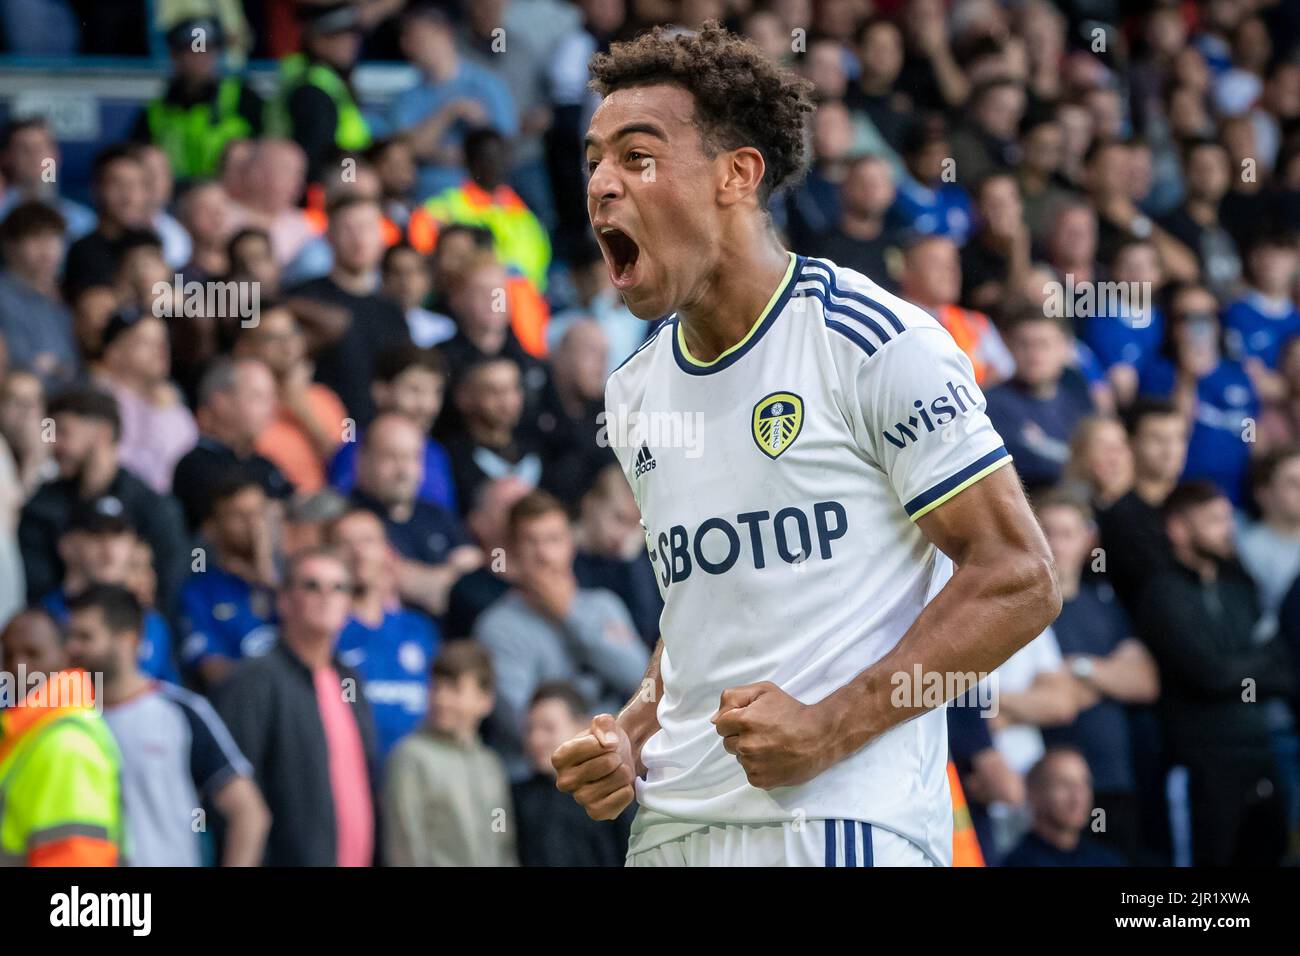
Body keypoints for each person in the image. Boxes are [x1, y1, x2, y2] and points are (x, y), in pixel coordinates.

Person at [553, 23, 1059, 867]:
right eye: (593, 161)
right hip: (670, 833)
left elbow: (1019, 577)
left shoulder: (869, 340)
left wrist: (833, 725)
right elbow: (699, 612)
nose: (602, 184)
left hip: (840, 826)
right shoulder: (634, 390)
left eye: (636, 158)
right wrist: (634, 729)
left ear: (737, 175)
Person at [1138, 481, 1292, 866]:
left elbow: (1284, 666)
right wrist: (1251, 666)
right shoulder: (1162, 593)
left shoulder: (1240, 585)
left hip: (1260, 751)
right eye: (1212, 520)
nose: (1226, 529)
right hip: (1202, 763)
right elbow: (1208, 675)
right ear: (1178, 529)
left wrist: (1236, 669)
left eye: (1226, 519)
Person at [64, 584, 270, 867]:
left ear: (127, 640)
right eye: (70, 636)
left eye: (85, 637)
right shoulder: (64, 720)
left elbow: (248, 811)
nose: (71, 648)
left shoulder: (179, 711)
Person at [216, 547, 380, 866]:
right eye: (311, 586)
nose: (326, 596)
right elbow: (235, 795)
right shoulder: (254, 679)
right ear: (284, 601)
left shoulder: (349, 679)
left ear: (348, 604)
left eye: (338, 588)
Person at [476, 490, 648, 779]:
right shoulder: (497, 626)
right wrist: (609, 735)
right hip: (537, 780)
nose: (543, 554)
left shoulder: (603, 605)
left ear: (570, 544)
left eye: (553, 540)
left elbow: (642, 681)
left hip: (613, 768)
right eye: (531, 542)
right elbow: (521, 724)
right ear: (512, 552)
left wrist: (571, 615)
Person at [1035, 489, 1159, 862]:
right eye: (1047, 531)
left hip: (1111, 779)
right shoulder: (1020, 609)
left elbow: (1145, 681)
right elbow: (1048, 697)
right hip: (1044, 786)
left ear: (1089, 541)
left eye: (1068, 533)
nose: (1056, 543)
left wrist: (1078, 669)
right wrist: (1106, 678)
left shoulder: (1104, 603)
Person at [19, 388, 188, 617]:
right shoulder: (41, 506)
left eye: (64, 432)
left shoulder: (153, 506)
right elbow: (35, 591)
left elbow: (173, 586)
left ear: (103, 433)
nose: (54, 444)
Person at [0, 611, 124, 866]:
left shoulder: (67, 745)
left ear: (65, 656)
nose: (17, 667)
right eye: (8, 655)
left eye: (32, 653)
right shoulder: (28, 735)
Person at [382, 640, 518, 866]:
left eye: (455, 689)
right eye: (436, 687)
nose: (441, 700)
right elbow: (404, 846)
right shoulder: (411, 756)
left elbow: (503, 844)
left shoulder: (490, 763)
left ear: (485, 700)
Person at [287, 194, 413, 427]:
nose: (358, 239)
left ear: (381, 236)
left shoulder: (392, 312)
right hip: (318, 430)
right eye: (348, 229)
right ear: (328, 236)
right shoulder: (302, 298)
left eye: (367, 228)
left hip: (378, 440)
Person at [328, 507, 439, 757]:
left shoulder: (420, 628)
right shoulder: (325, 633)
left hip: (416, 772)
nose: (358, 553)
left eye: (368, 541)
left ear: (386, 551)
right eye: (345, 543)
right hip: (350, 769)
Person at [43, 508, 179, 685]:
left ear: (133, 546)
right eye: (95, 536)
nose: (108, 550)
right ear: (67, 546)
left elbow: (167, 691)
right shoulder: (44, 619)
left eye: (118, 536)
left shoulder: (152, 621)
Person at [513, 681, 633, 867]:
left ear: (582, 726)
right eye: (530, 729)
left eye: (548, 728)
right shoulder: (518, 796)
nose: (536, 740)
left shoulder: (611, 789)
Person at [178, 473, 280, 691]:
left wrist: (266, 574)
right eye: (239, 516)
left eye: (258, 513)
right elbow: (212, 670)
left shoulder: (297, 580)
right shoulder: (199, 592)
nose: (254, 525)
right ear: (211, 529)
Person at [328, 344, 457, 512]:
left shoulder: (437, 452)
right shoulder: (353, 448)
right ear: (380, 391)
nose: (427, 405)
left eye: (436, 392)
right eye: (414, 390)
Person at [234, 304, 347, 495]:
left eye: (293, 333)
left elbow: (346, 466)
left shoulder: (326, 398)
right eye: (272, 338)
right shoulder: (238, 401)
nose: (286, 345)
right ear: (246, 347)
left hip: (326, 504)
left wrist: (302, 411)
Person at [171, 357, 294, 531]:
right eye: (257, 397)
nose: (271, 408)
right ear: (221, 402)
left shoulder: (266, 464)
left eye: (272, 397)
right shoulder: (195, 466)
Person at [134, 17, 263, 182]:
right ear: (175, 55)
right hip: (171, 199)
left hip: (228, 198)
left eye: (207, 50)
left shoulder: (241, 97)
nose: (200, 59)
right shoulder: (155, 110)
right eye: (192, 51)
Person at [984, 309, 1095, 492]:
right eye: (1024, 344)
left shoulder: (1081, 401)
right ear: (1009, 348)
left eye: (1043, 344)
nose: (1034, 354)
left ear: (1065, 348)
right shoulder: (988, 405)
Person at [1095, 399, 1188, 616]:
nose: (1170, 450)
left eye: (1179, 439)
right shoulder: (1117, 516)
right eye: (1157, 439)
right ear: (1132, 444)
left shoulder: (1193, 506)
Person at [92, 308, 199, 496]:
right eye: (146, 342)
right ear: (113, 351)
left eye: (163, 342)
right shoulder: (95, 398)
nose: (160, 350)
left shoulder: (175, 409)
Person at [265, 2, 372, 184]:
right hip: (326, 192)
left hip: (337, 184)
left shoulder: (326, 80)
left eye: (353, 35)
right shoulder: (312, 90)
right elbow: (315, 156)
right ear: (317, 40)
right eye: (340, 35)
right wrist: (348, 184)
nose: (351, 43)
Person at [1002, 748, 1127, 867]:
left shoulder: (1106, 860)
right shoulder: (1020, 862)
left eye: (1084, 784)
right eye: (1064, 785)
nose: (1077, 797)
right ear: (1033, 794)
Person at [0, 200, 78, 387]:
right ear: (10, 246)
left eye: (54, 238)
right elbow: (22, 364)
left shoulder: (67, 296)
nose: (47, 248)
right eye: (35, 238)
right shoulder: (3, 295)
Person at [62, 145, 152, 296]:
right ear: (96, 189)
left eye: (135, 185)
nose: (128, 196)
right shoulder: (83, 251)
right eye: (117, 184)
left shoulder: (154, 242)